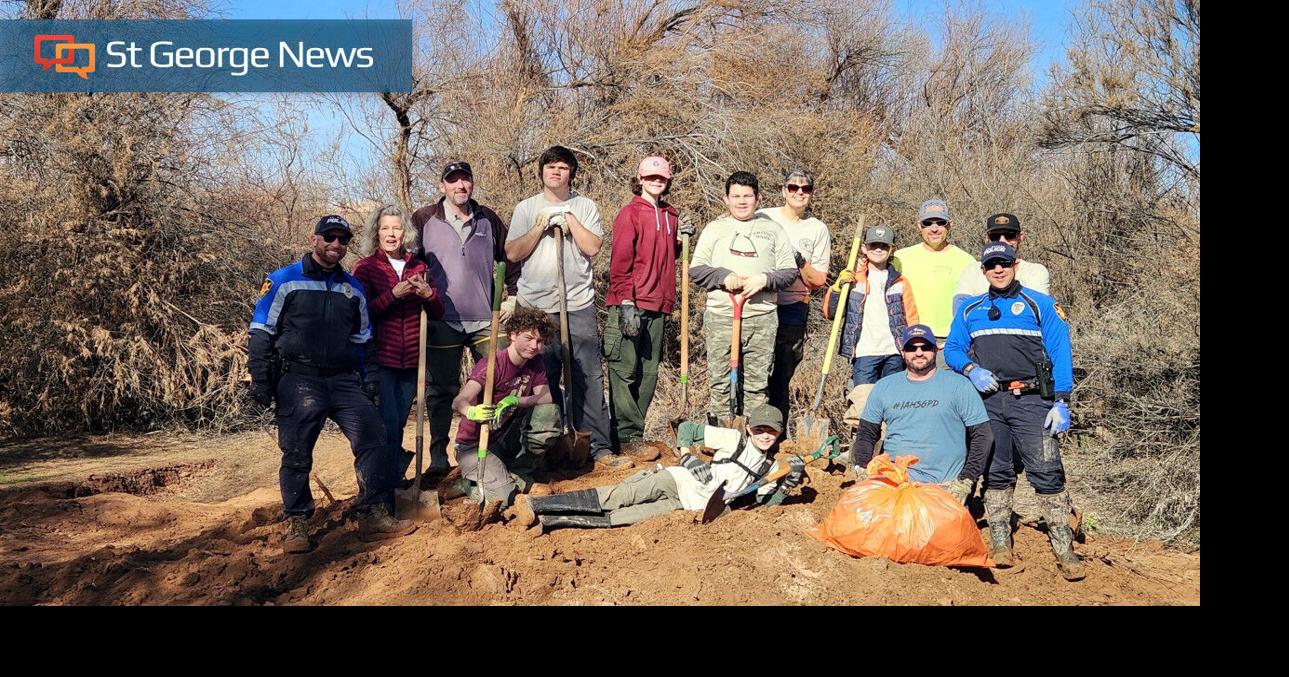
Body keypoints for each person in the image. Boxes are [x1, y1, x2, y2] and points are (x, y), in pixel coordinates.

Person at [248, 214, 417, 555]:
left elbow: (364, 339)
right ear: (314, 240)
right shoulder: (283, 280)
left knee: (374, 436)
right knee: (296, 452)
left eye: (342, 240)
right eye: (329, 238)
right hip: (298, 378)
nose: (336, 245)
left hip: (343, 380)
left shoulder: (352, 289)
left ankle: (371, 513)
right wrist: (261, 379)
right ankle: (297, 521)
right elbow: (261, 331)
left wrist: (369, 382)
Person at [945, 242, 1084, 580]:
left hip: (1033, 401)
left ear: (1015, 265)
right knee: (997, 472)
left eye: (1004, 263)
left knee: (1047, 471)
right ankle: (1000, 544)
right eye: (991, 264)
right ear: (983, 270)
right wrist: (969, 370)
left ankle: (1065, 550)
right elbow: (952, 348)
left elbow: (1061, 352)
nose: (998, 269)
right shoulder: (971, 310)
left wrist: (1062, 402)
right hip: (990, 401)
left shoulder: (1042, 305)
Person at [505, 145, 629, 468]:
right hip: (535, 306)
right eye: (550, 166)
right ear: (541, 172)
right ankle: (538, 449)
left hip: (577, 304)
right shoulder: (526, 208)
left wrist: (569, 219)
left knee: (586, 376)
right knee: (539, 377)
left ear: (571, 172)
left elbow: (593, 246)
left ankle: (599, 448)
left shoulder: (584, 206)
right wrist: (540, 226)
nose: (555, 172)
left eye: (562, 167)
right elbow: (513, 253)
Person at [511, 405, 806, 531]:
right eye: (760, 429)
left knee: (621, 517)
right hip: (676, 480)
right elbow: (688, 429)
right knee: (618, 497)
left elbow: (765, 504)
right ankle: (537, 503)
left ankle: (549, 521)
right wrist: (687, 457)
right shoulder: (732, 439)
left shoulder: (768, 467)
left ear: (779, 433)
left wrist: (788, 483)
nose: (765, 435)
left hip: (687, 506)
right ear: (751, 428)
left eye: (772, 431)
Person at [412, 161, 518, 476]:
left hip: (487, 319)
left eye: (465, 180)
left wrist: (513, 295)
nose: (460, 186)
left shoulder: (488, 219)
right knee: (441, 390)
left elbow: (510, 259)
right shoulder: (423, 219)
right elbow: (411, 263)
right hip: (440, 319)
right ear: (442, 185)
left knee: (498, 382)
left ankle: (494, 452)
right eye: (453, 180)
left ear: (472, 184)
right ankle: (439, 458)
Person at [352, 204, 445, 506]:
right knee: (386, 424)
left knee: (399, 423)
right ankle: (379, 490)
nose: (391, 234)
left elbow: (438, 311)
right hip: (382, 359)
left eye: (397, 228)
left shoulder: (418, 267)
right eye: (385, 229)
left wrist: (427, 295)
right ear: (375, 233)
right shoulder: (366, 268)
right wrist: (394, 295)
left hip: (412, 361)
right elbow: (362, 314)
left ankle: (391, 484)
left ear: (406, 232)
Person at [688, 171, 799, 423]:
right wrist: (722, 276)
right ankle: (721, 436)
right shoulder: (715, 228)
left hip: (761, 318)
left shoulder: (772, 229)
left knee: (757, 385)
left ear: (758, 198)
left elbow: (789, 271)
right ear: (725, 198)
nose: (741, 201)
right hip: (721, 316)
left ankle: (754, 439)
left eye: (747, 196)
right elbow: (696, 270)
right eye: (736, 196)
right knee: (719, 381)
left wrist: (765, 279)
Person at [605, 155, 694, 451]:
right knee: (625, 369)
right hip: (630, 303)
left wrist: (682, 241)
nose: (656, 182)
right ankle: (624, 435)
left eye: (661, 179)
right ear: (640, 179)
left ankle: (635, 434)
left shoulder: (672, 215)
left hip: (660, 304)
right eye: (650, 178)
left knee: (648, 372)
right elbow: (619, 263)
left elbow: (666, 255)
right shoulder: (629, 213)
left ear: (667, 182)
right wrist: (626, 300)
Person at [849, 324, 993, 504]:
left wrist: (965, 480)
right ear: (902, 352)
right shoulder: (884, 386)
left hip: (944, 489)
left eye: (925, 347)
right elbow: (866, 433)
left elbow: (983, 435)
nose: (918, 353)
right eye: (911, 348)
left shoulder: (960, 385)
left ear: (935, 350)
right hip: (894, 486)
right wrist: (862, 469)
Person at [445, 306, 564, 511]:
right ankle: (470, 485)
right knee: (504, 499)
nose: (535, 346)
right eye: (529, 338)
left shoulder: (535, 362)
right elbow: (459, 400)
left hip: (505, 438)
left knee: (548, 413)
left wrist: (515, 401)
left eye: (540, 341)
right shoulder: (492, 364)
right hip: (474, 445)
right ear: (513, 334)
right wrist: (472, 411)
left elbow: (546, 398)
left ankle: (517, 471)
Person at [757, 169, 831, 424]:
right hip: (759, 302)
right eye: (793, 187)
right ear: (783, 190)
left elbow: (818, 280)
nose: (799, 192)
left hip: (793, 307)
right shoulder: (763, 217)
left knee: (782, 373)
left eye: (806, 189)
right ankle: (748, 427)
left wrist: (798, 259)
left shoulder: (816, 229)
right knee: (754, 370)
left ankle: (775, 430)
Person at [823, 224, 918, 387]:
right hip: (864, 352)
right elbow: (831, 313)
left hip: (894, 352)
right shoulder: (853, 280)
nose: (879, 249)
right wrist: (838, 286)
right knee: (863, 400)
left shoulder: (901, 282)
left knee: (892, 401)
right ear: (864, 248)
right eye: (874, 245)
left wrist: (912, 346)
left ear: (891, 250)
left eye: (884, 245)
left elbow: (911, 318)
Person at [891, 199, 976, 366]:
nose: (934, 228)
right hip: (909, 339)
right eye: (927, 223)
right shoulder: (900, 258)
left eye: (941, 222)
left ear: (950, 225)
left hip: (947, 342)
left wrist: (958, 338)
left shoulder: (967, 261)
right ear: (919, 226)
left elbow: (973, 307)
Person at [953, 212, 1051, 313]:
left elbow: (1040, 310)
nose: (1002, 241)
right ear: (987, 238)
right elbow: (961, 311)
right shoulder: (972, 270)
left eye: (1009, 235)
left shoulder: (1035, 272)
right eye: (995, 236)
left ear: (1020, 237)